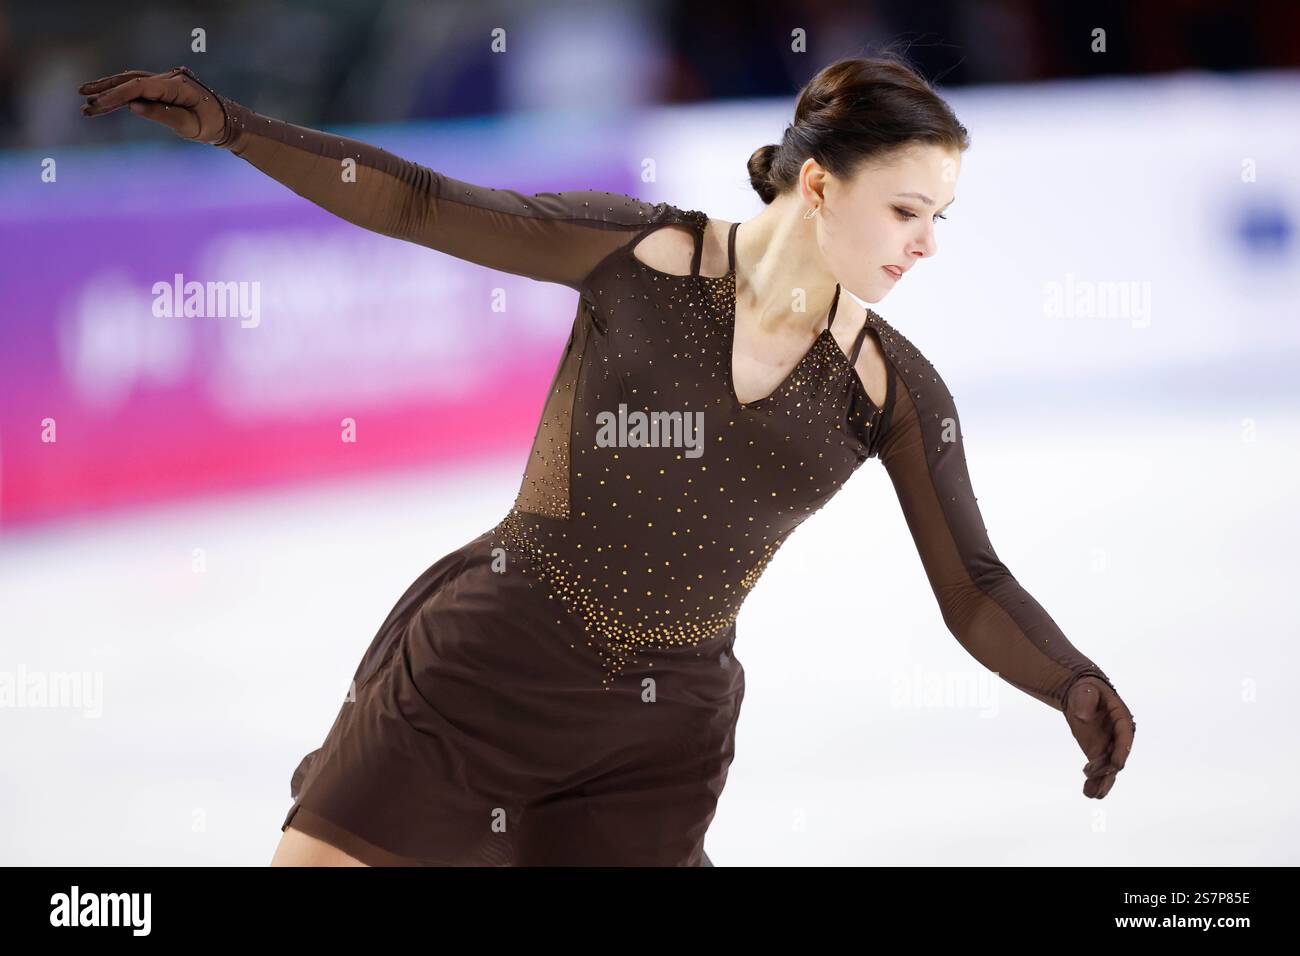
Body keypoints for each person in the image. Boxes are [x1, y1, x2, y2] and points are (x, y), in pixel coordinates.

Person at [79, 53, 1136, 867]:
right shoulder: (636, 253)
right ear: (817, 184)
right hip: (489, 665)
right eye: (907, 210)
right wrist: (232, 127)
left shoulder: (891, 388)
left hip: (660, 734)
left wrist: (1070, 678)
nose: (925, 243)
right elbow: (416, 202)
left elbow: (973, 582)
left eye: (940, 218)